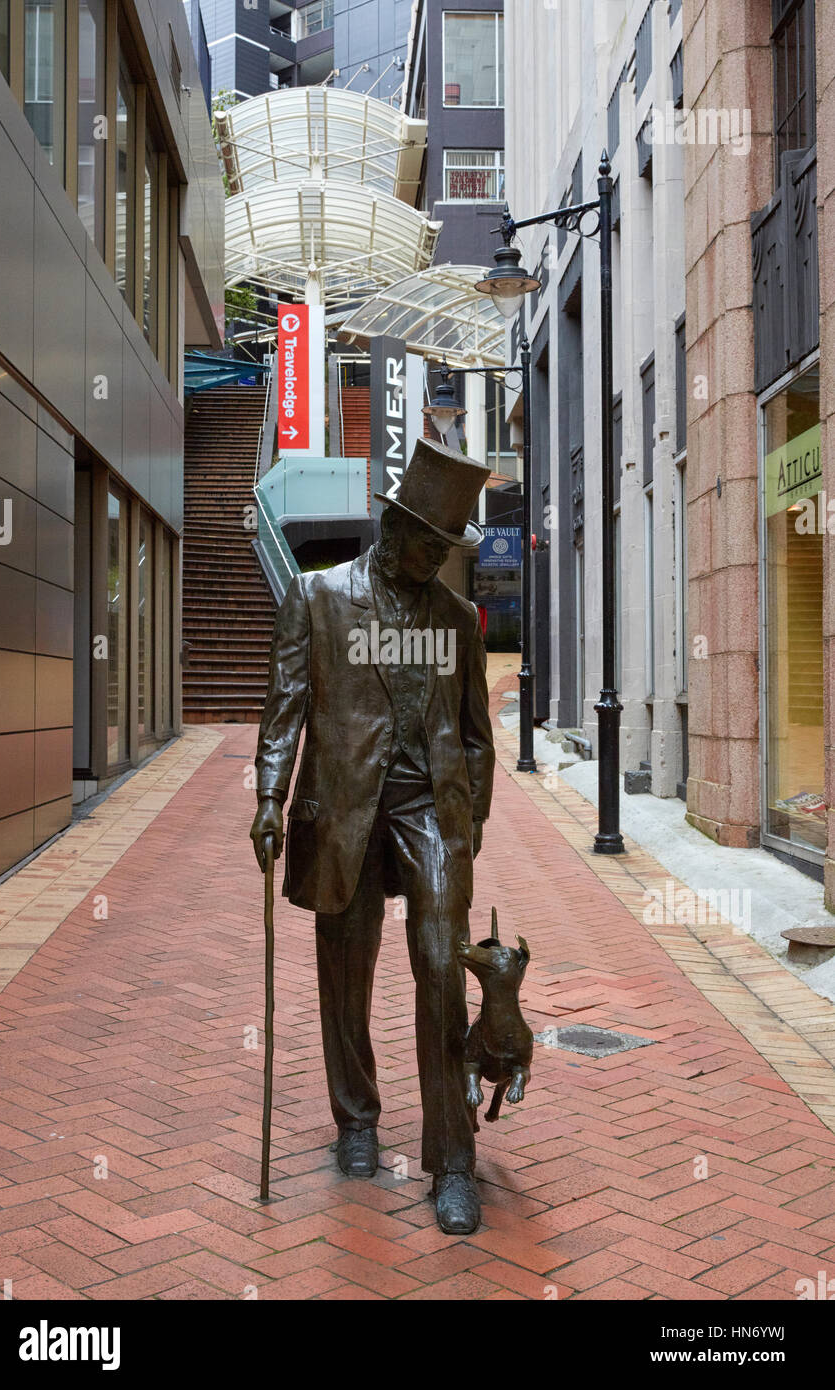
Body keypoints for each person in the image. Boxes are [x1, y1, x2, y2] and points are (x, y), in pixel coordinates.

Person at [251, 438, 495, 1234]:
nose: (434, 560)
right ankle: (356, 1118)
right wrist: (267, 796)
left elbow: (477, 733)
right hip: (344, 809)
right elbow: (286, 705)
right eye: (427, 544)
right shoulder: (319, 599)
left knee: (439, 970)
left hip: (430, 811)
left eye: (445, 549)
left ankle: (452, 1163)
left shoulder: (456, 618)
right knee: (346, 971)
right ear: (393, 530)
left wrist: (472, 823)